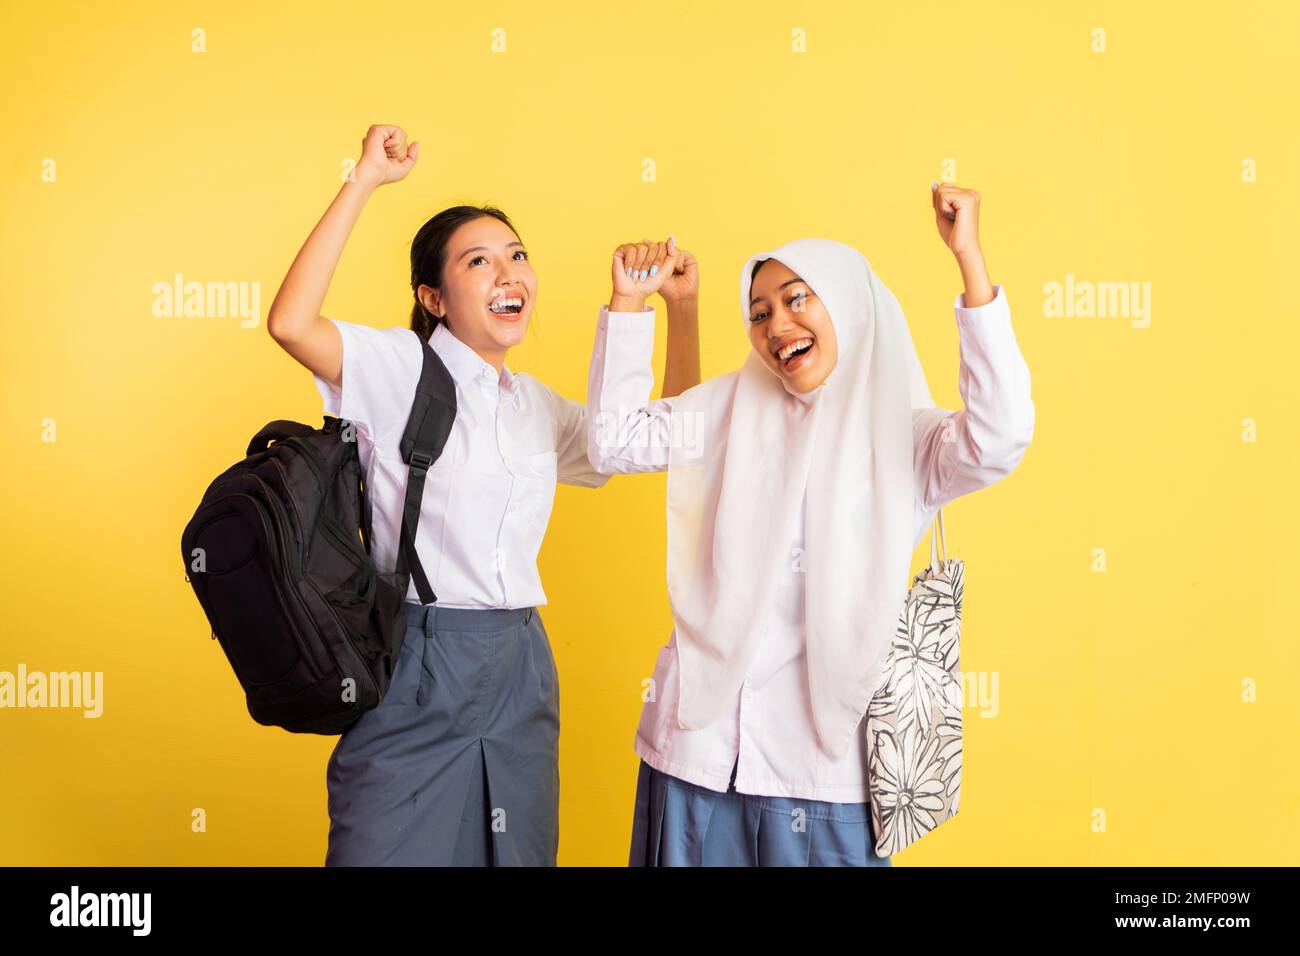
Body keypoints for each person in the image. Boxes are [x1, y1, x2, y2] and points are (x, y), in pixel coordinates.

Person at [265, 124, 699, 865]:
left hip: (520, 669)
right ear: (433, 297)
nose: (510, 274)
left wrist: (676, 309)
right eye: (479, 262)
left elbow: (667, 438)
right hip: (415, 661)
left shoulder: (534, 405)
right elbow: (291, 322)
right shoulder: (399, 370)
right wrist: (365, 178)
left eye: (518, 256)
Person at [586, 183, 1035, 866]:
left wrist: (969, 259)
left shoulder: (907, 438)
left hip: (826, 777)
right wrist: (628, 304)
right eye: (760, 312)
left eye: (798, 299)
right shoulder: (731, 405)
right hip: (700, 760)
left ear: (849, 306)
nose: (776, 326)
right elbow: (613, 442)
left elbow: (999, 438)